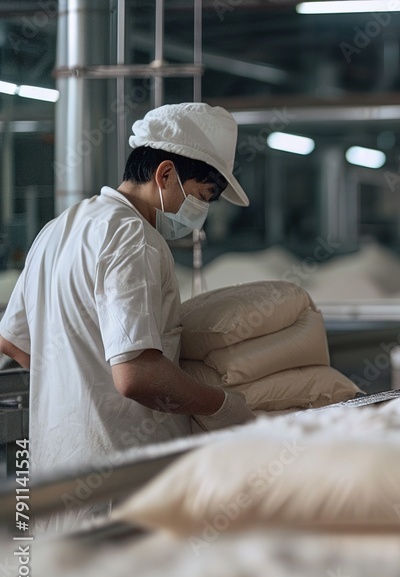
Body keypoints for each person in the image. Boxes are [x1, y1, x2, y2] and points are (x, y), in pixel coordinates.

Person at [0, 103, 255, 483]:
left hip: (56, 473)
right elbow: (137, 376)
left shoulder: (59, 228)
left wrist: (80, 384)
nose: (200, 214)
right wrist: (220, 406)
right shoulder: (135, 238)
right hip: (122, 478)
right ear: (165, 174)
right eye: (202, 196)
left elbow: (13, 342)